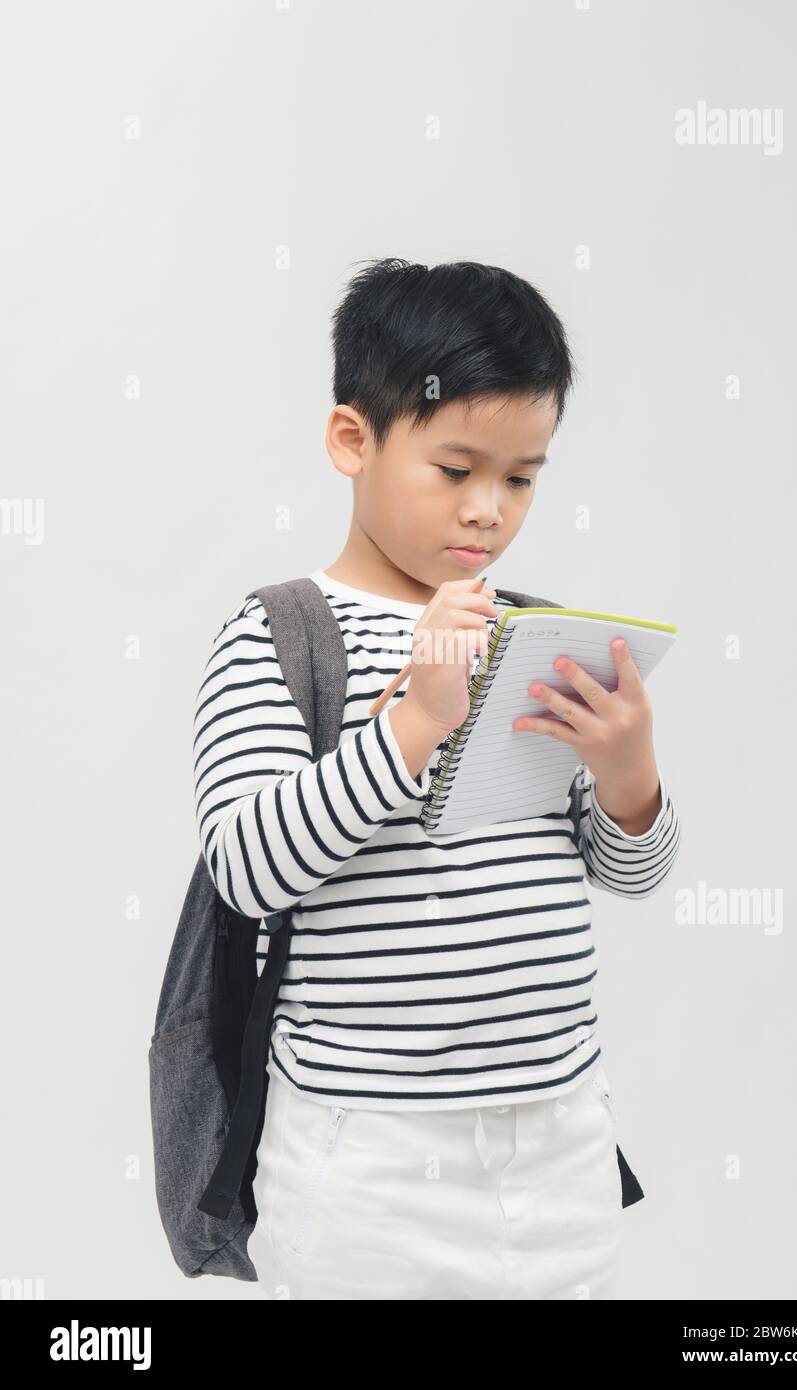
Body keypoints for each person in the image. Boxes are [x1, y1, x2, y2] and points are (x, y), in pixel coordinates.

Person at [193, 257, 681, 1299]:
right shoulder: (283, 636)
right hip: (366, 1159)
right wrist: (414, 723)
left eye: (521, 476)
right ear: (352, 441)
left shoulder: (536, 633)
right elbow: (247, 869)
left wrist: (631, 778)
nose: (489, 512)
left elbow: (627, 872)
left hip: (557, 1144)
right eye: (455, 470)